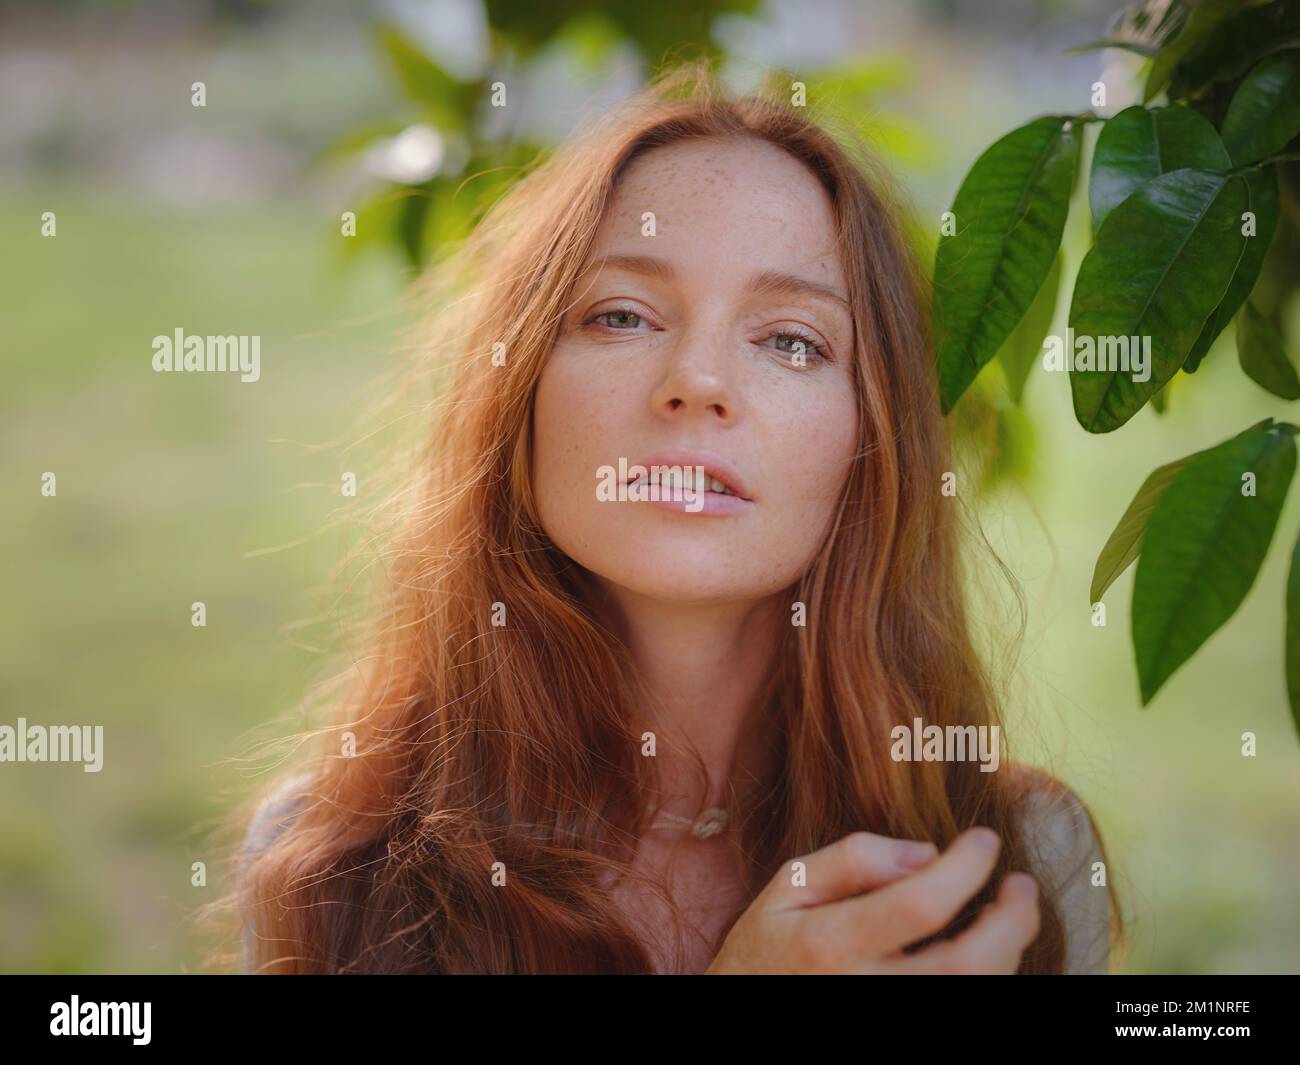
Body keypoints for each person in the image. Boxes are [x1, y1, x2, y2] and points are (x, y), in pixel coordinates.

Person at [230, 63, 1121, 975]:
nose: (697, 382)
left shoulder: (1028, 857)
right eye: (622, 316)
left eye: (791, 340)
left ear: (872, 444)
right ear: (519, 390)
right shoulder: (329, 864)